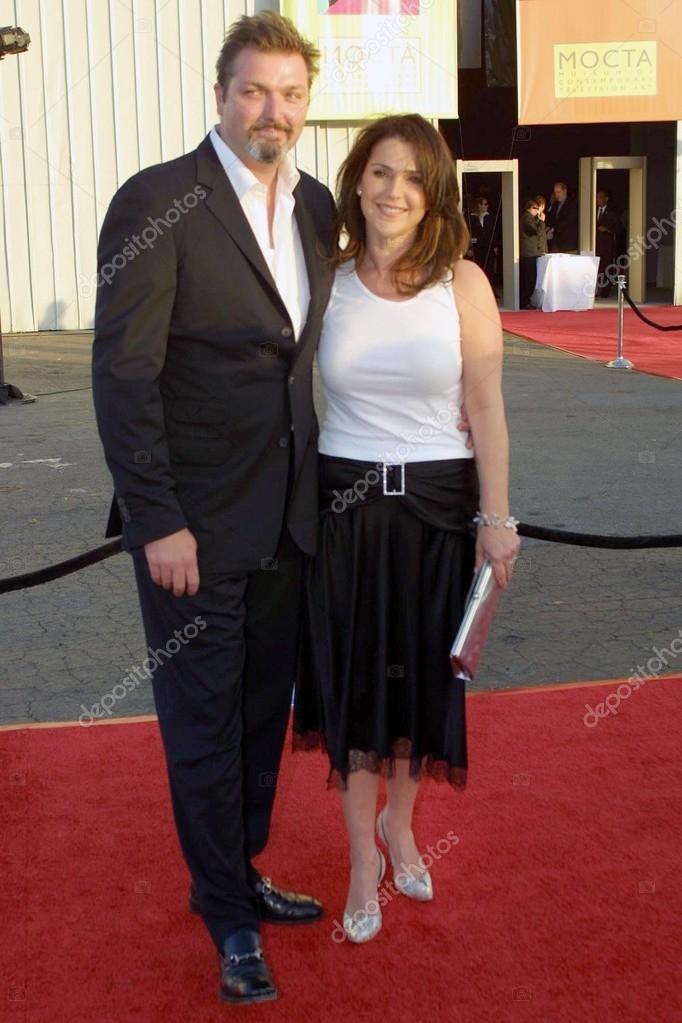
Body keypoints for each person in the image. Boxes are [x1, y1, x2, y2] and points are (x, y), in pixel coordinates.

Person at [92, 12, 337, 1006]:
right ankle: (226, 916)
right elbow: (123, 376)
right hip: (192, 530)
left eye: (288, 93)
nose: (269, 110)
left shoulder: (319, 205)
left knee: (257, 717)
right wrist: (157, 521)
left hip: (288, 522)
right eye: (252, 90)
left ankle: (238, 873)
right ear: (219, 93)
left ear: (305, 105)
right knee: (200, 725)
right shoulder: (157, 202)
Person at [293, 114, 520, 944]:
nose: (396, 191)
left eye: (415, 178)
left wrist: (496, 517)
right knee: (357, 692)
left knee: (418, 690)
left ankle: (401, 826)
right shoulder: (324, 278)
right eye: (383, 173)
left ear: (436, 195)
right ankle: (361, 861)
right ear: (358, 179)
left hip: (436, 514)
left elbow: (486, 406)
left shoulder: (462, 282)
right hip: (345, 513)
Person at [520, 196, 548, 308]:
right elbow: (535, 231)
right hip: (529, 253)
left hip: (533, 252)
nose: (537, 211)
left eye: (538, 208)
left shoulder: (530, 218)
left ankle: (526, 301)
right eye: (535, 208)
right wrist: (541, 222)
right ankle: (524, 301)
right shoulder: (527, 218)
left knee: (531, 279)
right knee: (530, 279)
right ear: (530, 208)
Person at [469, 194, 498, 288]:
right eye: (485, 204)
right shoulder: (472, 218)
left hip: (487, 247)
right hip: (476, 248)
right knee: (478, 268)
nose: (487, 206)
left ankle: (489, 288)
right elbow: (469, 233)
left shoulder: (488, 217)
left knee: (489, 269)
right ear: (479, 205)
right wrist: (469, 247)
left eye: (487, 204)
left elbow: (492, 232)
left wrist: (495, 246)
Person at [594, 188, 619, 298]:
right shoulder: (593, 211)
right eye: (597, 197)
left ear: (606, 199)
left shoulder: (612, 212)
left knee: (606, 268)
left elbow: (619, 227)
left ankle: (605, 292)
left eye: (600, 197)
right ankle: (596, 290)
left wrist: (607, 229)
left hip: (607, 245)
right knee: (597, 268)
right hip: (595, 245)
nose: (598, 200)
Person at [545, 181, 578, 253]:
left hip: (568, 242)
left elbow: (568, 220)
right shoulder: (555, 204)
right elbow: (551, 219)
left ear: (565, 191)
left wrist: (553, 229)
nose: (556, 195)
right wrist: (548, 227)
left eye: (558, 192)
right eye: (555, 192)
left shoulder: (572, 204)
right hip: (556, 242)